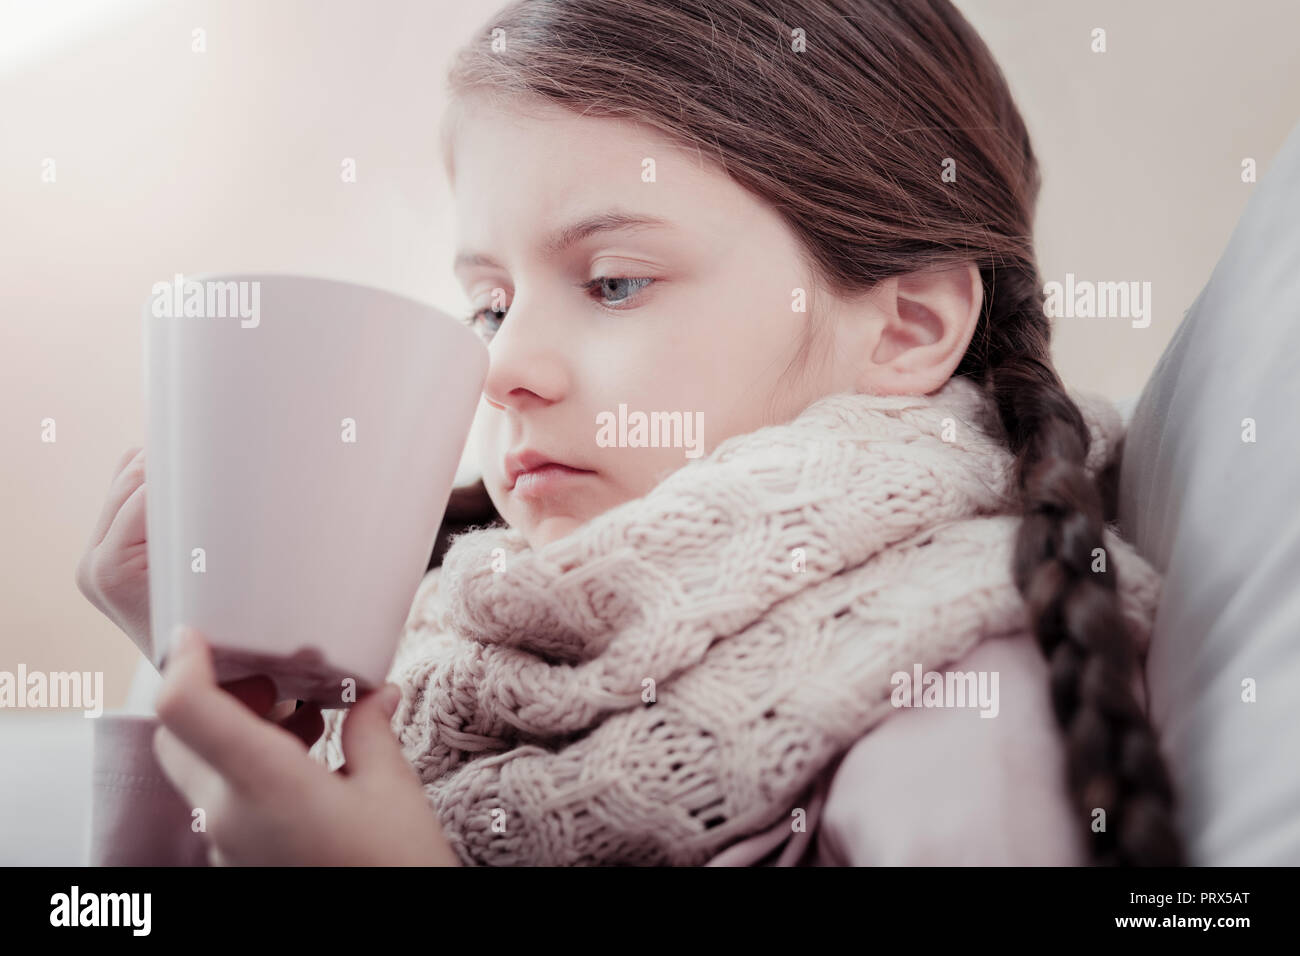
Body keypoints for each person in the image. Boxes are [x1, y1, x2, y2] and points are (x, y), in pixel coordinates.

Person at [77, 0, 1182, 866]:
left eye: (612, 282)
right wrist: (211, 687)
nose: (501, 368)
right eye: (491, 303)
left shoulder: (953, 696)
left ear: (906, 325)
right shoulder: (446, 651)